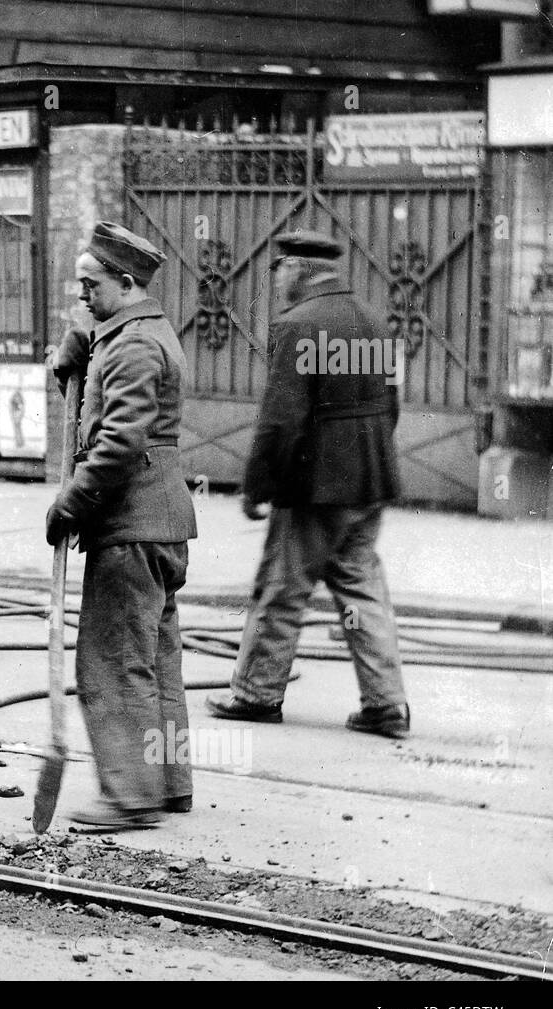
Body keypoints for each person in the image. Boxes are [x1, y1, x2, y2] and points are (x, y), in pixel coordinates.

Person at [205, 230, 409, 738]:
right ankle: (386, 704)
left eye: (278, 271)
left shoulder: (297, 326)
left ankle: (256, 693)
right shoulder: (372, 320)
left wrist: (257, 486)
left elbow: (281, 419)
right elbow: (391, 405)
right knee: (361, 593)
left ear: (296, 269)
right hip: (370, 480)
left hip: (315, 485)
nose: (275, 281)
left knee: (281, 589)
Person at [45, 222, 197, 831]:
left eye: (92, 286)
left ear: (127, 283)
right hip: (160, 527)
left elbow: (118, 445)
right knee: (158, 662)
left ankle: (130, 794)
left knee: (112, 661)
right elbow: (81, 384)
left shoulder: (133, 346)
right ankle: (169, 784)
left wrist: (71, 504)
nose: (83, 297)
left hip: (132, 528)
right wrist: (76, 344)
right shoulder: (136, 332)